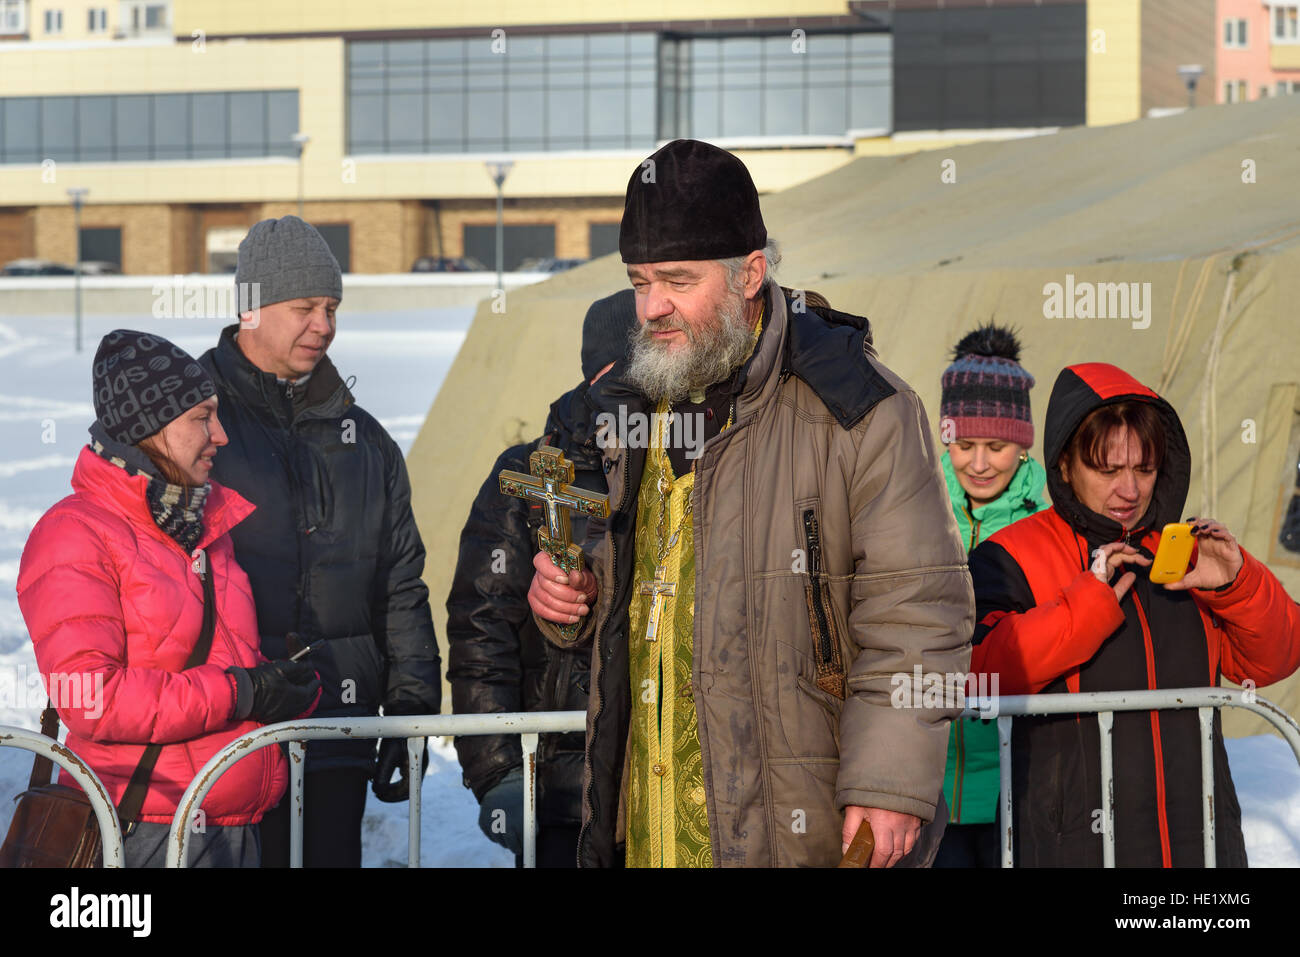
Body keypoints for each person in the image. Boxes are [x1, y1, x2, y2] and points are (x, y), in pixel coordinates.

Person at [527, 139, 974, 868]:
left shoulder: (860, 408)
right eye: (639, 281)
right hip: (648, 830)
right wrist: (568, 598)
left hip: (798, 834)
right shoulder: (625, 411)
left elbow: (918, 608)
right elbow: (633, 599)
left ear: (751, 274)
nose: (652, 307)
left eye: (677, 279)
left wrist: (890, 782)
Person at [969, 362, 1300, 866]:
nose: (1130, 491)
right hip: (1068, 850)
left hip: (1202, 848)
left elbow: (1273, 661)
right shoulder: (1009, 556)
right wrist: (1088, 604)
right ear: (1064, 465)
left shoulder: (1185, 554)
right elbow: (976, 677)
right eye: (1108, 470)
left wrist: (1239, 584)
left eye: (1144, 469)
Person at [16, 330, 321, 868]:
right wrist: (241, 693)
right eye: (202, 417)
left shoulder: (205, 528)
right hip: (137, 830)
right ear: (147, 429)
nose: (220, 435)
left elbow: (211, 669)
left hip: (226, 822)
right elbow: (92, 698)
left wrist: (281, 688)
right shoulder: (75, 533)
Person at [199, 216, 442, 868]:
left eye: (332, 307)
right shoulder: (190, 425)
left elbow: (400, 581)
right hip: (223, 740)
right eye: (305, 306)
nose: (325, 324)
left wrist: (412, 710)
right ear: (251, 307)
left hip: (338, 729)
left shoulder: (366, 442)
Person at [448, 289, 637, 867]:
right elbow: (482, 624)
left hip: (668, 781)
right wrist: (498, 769)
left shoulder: (687, 459)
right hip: (562, 783)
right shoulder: (531, 474)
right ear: (598, 371)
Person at [932, 324, 1047, 869]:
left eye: (996, 447)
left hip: (1017, 780)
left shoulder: (1045, 529)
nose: (978, 464)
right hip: (934, 783)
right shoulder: (920, 518)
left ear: (1021, 445)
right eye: (963, 445)